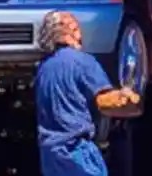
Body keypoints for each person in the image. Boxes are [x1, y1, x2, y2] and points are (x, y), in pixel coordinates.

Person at [35, 11, 140, 176]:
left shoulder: (44, 68)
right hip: (76, 151)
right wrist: (127, 97)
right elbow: (105, 102)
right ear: (72, 31)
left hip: (50, 155)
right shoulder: (82, 62)